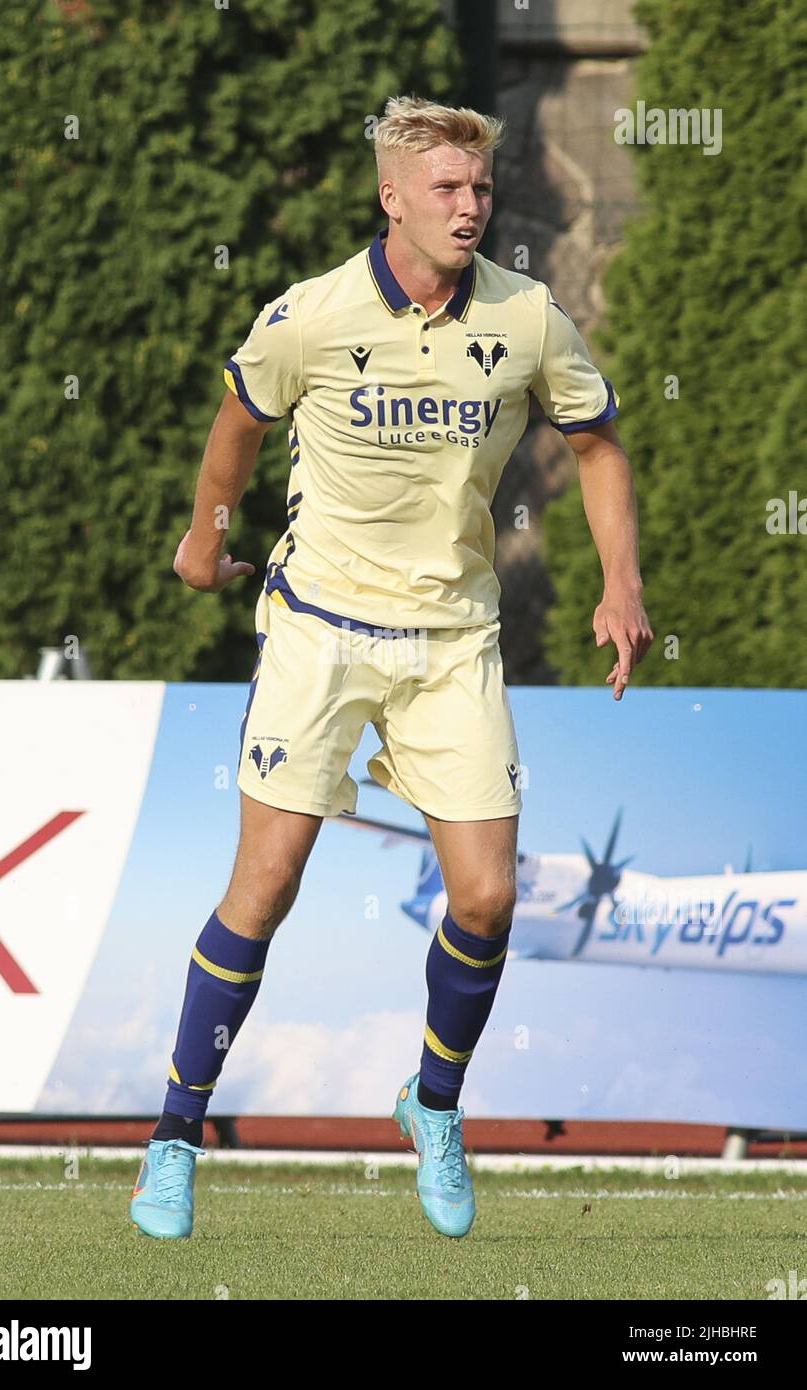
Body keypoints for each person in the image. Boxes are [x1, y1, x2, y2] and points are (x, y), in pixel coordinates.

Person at [130, 95, 654, 1242]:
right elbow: (239, 421)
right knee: (263, 888)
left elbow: (598, 439)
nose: (472, 206)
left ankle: (433, 1103)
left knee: (489, 894)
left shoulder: (525, 318)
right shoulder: (309, 316)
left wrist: (622, 581)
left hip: (453, 639)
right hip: (318, 627)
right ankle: (174, 1136)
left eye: (480, 188)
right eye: (449, 190)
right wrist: (208, 529)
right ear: (394, 199)